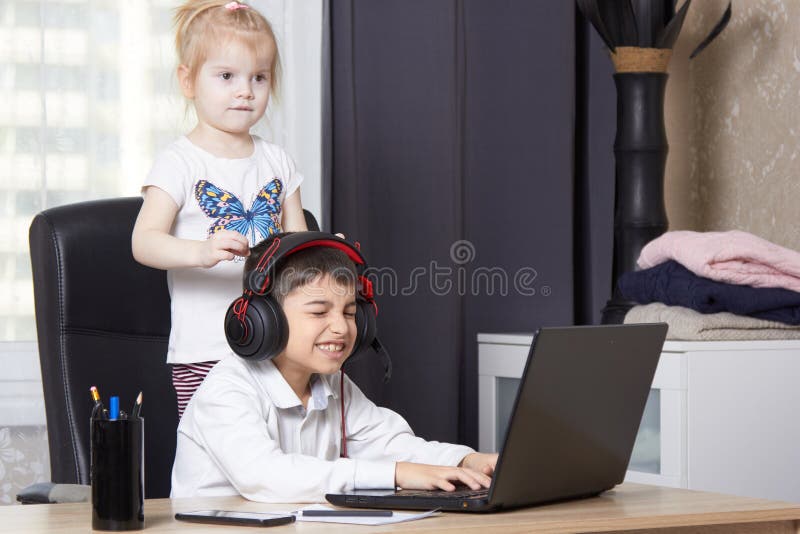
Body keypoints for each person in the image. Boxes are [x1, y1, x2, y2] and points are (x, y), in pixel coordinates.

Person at [171, 234, 499, 502]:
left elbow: (390, 444)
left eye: (351, 312)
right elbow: (265, 476)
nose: (341, 328)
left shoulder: (332, 384)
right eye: (319, 312)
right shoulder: (227, 389)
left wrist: (466, 461)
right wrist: (395, 473)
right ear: (263, 321)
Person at [131, 0, 307, 418]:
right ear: (188, 81)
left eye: (258, 77)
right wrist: (201, 251)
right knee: (209, 458)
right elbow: (144, 242)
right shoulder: (180, 162)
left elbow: (297, 246)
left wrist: (322, 251)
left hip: (275, 343)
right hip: (205, 347)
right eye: (227, 76)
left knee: (273, 456)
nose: (245, 90)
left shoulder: (278, 161)